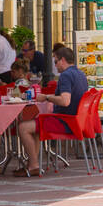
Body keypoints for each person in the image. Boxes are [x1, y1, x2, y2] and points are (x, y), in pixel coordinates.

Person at [15, 46, 88, 177]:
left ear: (63, 60)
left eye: (55, 61)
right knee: (35, 125)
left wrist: (46, 97)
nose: (54, 65)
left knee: (23, 127)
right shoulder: (81, 74)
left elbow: (65, 101)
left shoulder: (65, 76)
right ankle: (33, 163)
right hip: (77, 121)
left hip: (65, 121)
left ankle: (33, 165)